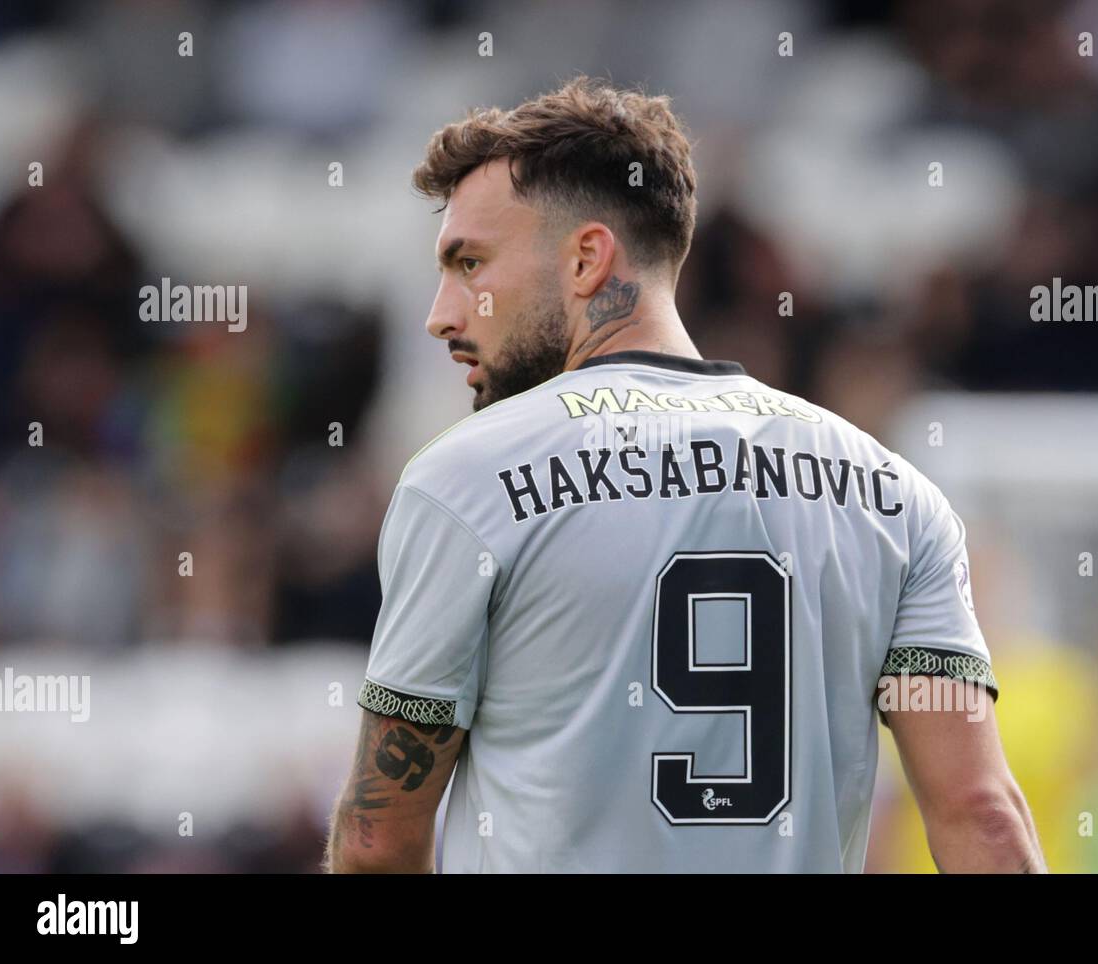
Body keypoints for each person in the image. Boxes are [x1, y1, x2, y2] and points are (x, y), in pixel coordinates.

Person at [325, 76, 1045, 873]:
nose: (442, 314)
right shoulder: (895, 497)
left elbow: (377, 840)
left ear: (587, 258)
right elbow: (979, 813)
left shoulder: (468, 481)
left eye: (470, 264)